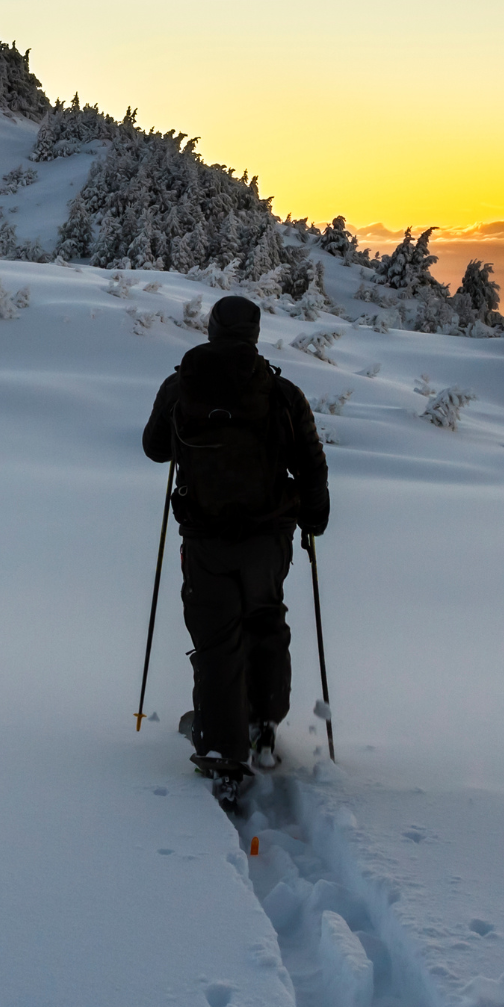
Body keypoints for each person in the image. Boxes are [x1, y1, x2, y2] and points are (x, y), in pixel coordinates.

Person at [141, 294, 329, 807]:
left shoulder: (182, 385)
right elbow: (311, 463)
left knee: (216, 636)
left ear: (211, 329)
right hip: (269, 537)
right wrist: (314, 518)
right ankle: (264, 725)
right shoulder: (281, 391)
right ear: (255, 333)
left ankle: (223, 751)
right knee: (265, 619)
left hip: (204, 537)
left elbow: (154, 448)